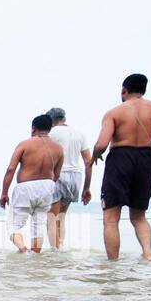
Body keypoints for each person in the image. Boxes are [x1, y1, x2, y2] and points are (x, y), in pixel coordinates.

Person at [91, 74, 151, 261]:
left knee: (111, 217)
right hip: (147, 158)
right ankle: (148, 254)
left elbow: (102, 144)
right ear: (143, 90)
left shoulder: (114, 113)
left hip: (120, 157)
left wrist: (95, 154)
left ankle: (113, 264)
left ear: (124, 91)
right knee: (139, 215)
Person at [0, 115, 62, 253]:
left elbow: (11, 169)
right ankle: (35, 255)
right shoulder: (58, 148)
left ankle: (22, 249)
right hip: (47, 186)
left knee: (13, 227)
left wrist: (4, 193)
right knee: (38, 226)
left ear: (34, 128)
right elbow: (57, 175)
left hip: (25, 187)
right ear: (50, 128)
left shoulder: (25, 144)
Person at [45, 107, 92, 249]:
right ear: (63, 118)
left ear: (51, 120)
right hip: (75, 177)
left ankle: (54, 252)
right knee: (61, 217)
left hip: (58, 175)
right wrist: (87, 187)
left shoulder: (51, 133)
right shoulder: (79, 134)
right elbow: (88, 162)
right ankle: (60, 248)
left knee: (51, 218)